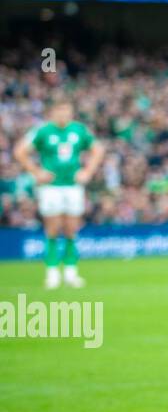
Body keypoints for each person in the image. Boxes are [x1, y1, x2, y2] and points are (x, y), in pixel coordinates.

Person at [16, 100, 104, 290]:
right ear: (52, 112)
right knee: (53, 229)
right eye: (60, 111)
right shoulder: (43, 131)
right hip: (51, 187)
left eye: (67, 111)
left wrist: (88, 171)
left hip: (73, 185)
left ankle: (71, 272)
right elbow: (20, 151)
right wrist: (37, 172)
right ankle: (52, 273)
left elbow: (98, 150)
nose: (64, 115)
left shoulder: (79, 130)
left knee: (72, 229)